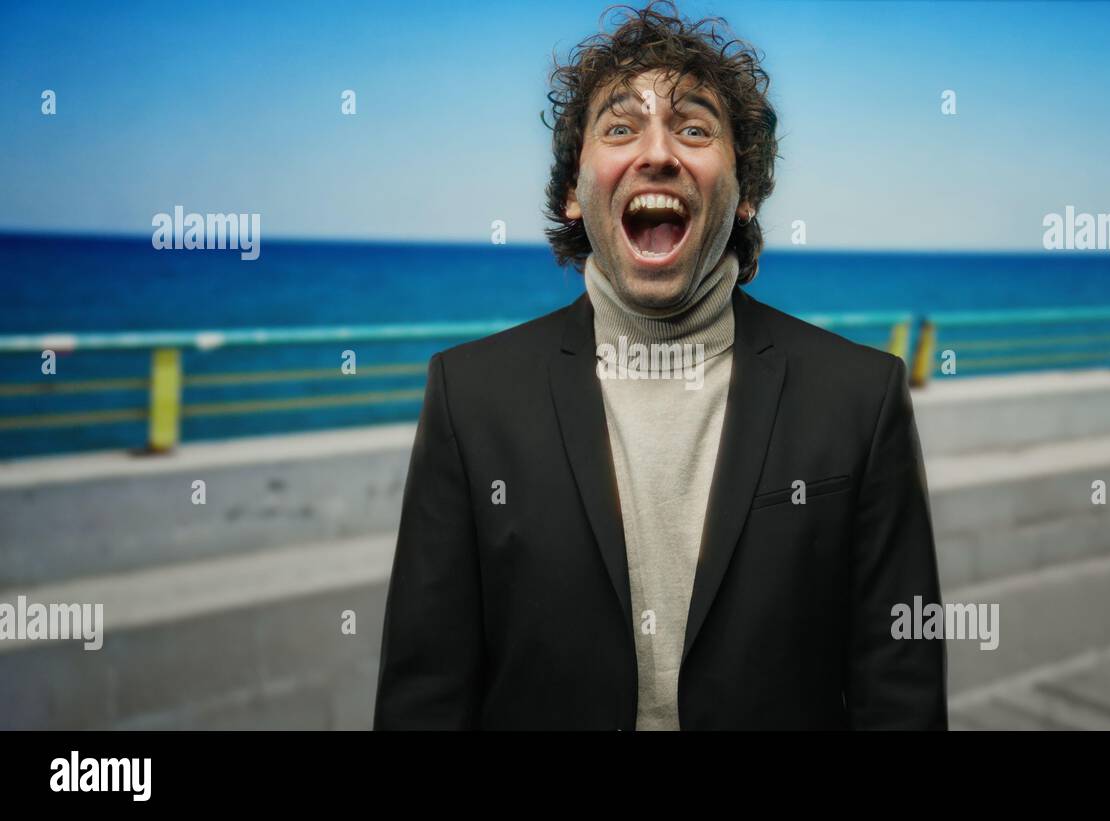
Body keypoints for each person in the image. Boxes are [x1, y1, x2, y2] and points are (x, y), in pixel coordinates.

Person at [374, 1, 946, 730]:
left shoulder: (862, 398)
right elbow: (425, 695)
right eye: (620, 127)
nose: (658, 153)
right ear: (571, 195)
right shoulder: (468, 397)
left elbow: (899, 691)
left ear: (746, 196)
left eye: (696, 128)